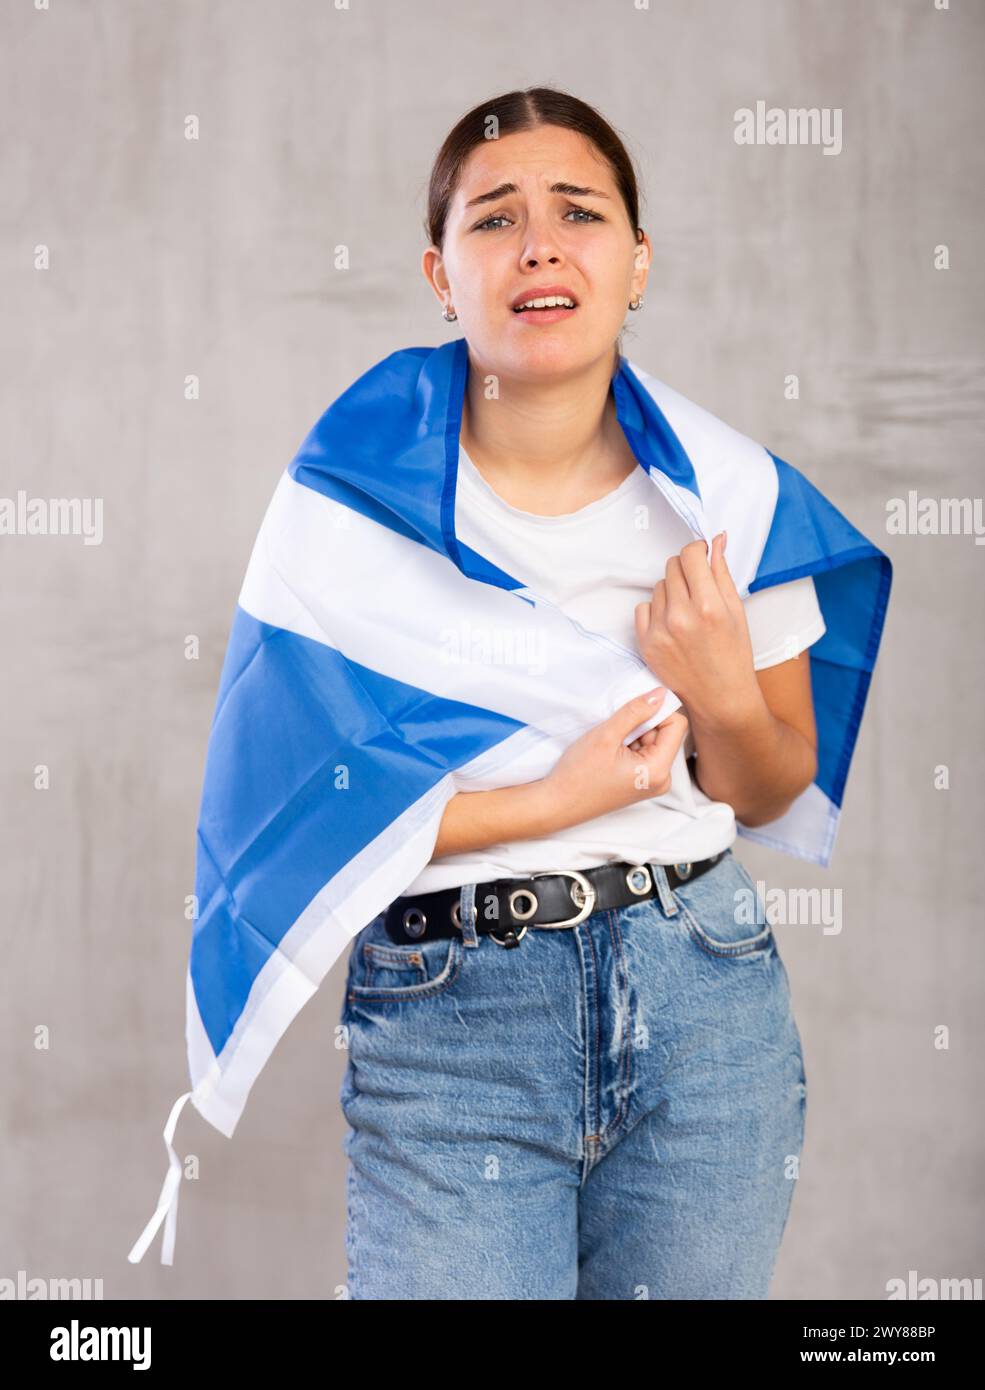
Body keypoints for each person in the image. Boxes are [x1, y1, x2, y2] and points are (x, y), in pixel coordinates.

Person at [338, 87, 818, 1300]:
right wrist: (555, 799)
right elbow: (317, 814)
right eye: (493, 218)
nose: (539, 242)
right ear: (441, 275)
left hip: (703, 998)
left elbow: (772, 785)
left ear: (637, 260)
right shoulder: (355, 512)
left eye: (579, 212)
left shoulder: (730, 499)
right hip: (453, 1018)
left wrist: (722, 693)